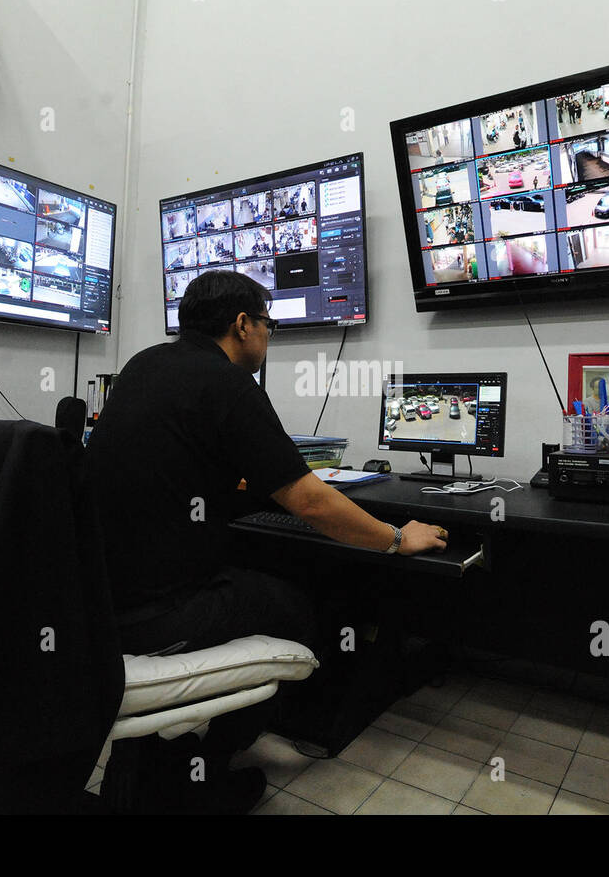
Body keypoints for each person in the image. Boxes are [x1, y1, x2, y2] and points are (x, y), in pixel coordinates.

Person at [85, 270, 446, 813]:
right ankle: (206, 768)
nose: (268, 338)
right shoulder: (230, 383)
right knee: (303, 607)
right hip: (159, 613)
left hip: (99, 602)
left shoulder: (143, 365)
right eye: (268, 326)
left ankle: (161, 761)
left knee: (264, 573)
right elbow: (311, 501)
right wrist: (396, 538)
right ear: (242, 325)